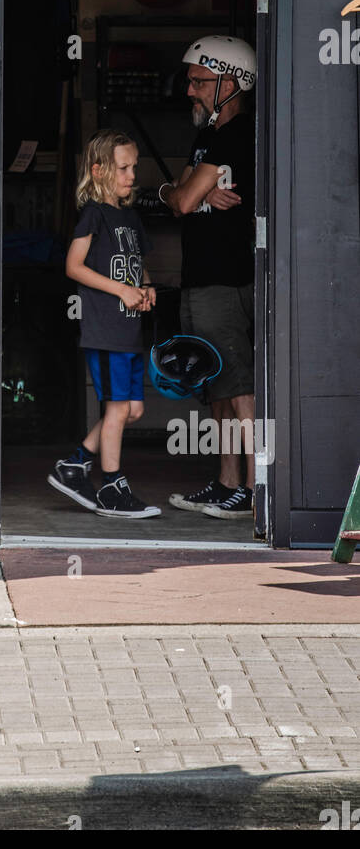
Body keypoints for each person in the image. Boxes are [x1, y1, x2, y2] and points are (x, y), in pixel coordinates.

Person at [157, 36, 256, 519]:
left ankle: (257, 493)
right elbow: (180, 194)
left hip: (227, 277)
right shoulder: (207, 137)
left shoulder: (237, 134)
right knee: (215, 384)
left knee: (238, 386)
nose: (190, 90)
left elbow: (180, 201)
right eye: (190, 80)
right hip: (200, 277)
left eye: (200, 81)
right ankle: (227, 483)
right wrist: (187, 191)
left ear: (232, 82)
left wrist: (187, 194)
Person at [48, 130, 160, 518]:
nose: (132, 175)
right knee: (115, 410)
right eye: (123, 168)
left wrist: (145, 287)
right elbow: (73, 266)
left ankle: (75, 463)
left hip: (129, 330)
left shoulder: (130, 216)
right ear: (98, 171)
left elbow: (138, 263)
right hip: (106, 331)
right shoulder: (93, 214)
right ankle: (111, 487)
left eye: (134, 167)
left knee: (133, 410)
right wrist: (121, 291)